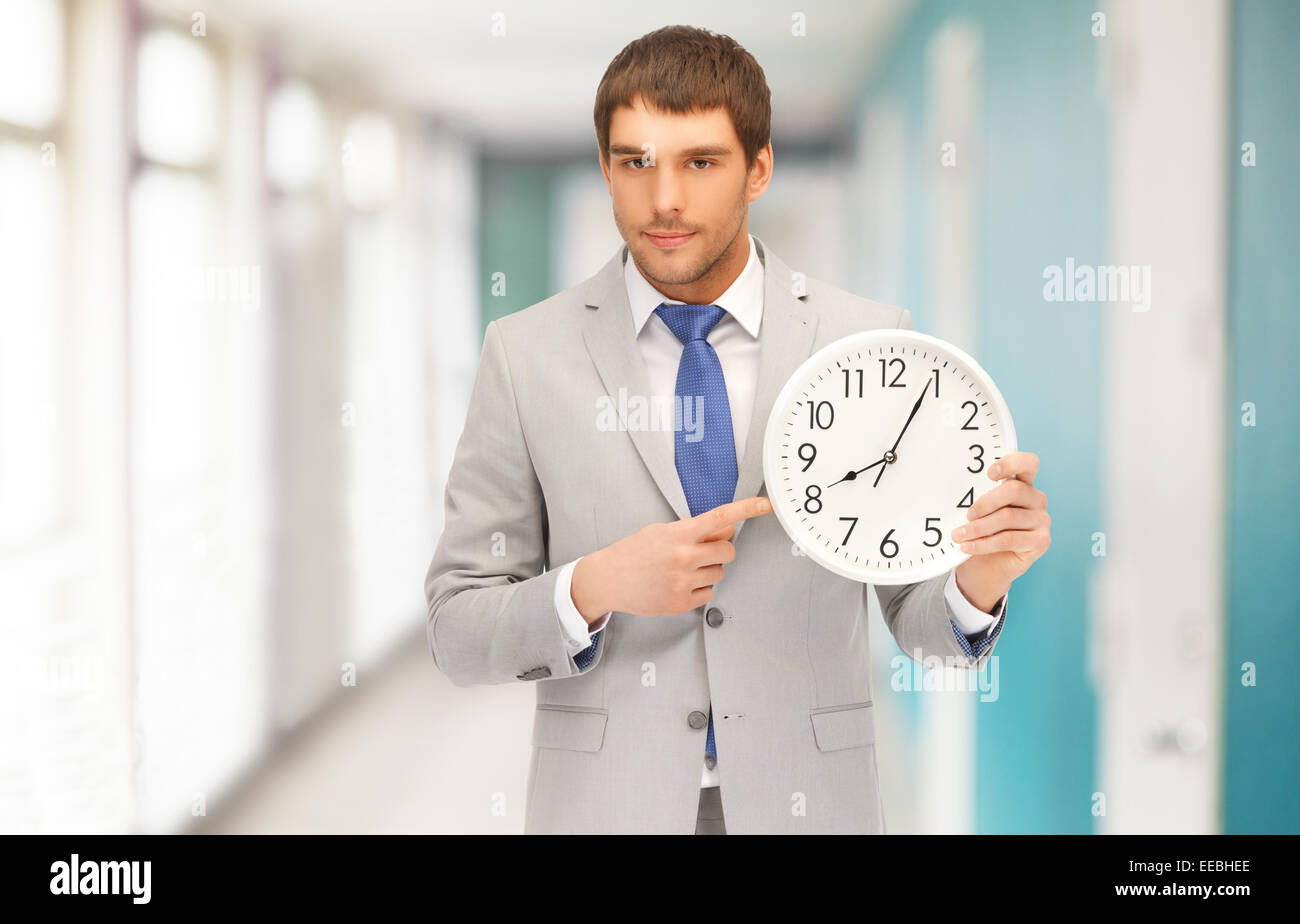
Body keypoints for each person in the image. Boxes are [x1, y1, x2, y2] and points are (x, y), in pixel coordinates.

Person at [424, 24, 1051, 834]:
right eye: (635, 162)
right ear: (607, 168)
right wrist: (594, 585)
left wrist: (982, 579)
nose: (665, 200)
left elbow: (923, 630)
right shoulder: (524, 354)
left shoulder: (866, 344)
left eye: (701, 162)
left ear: (758, 169)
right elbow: (455, 631)